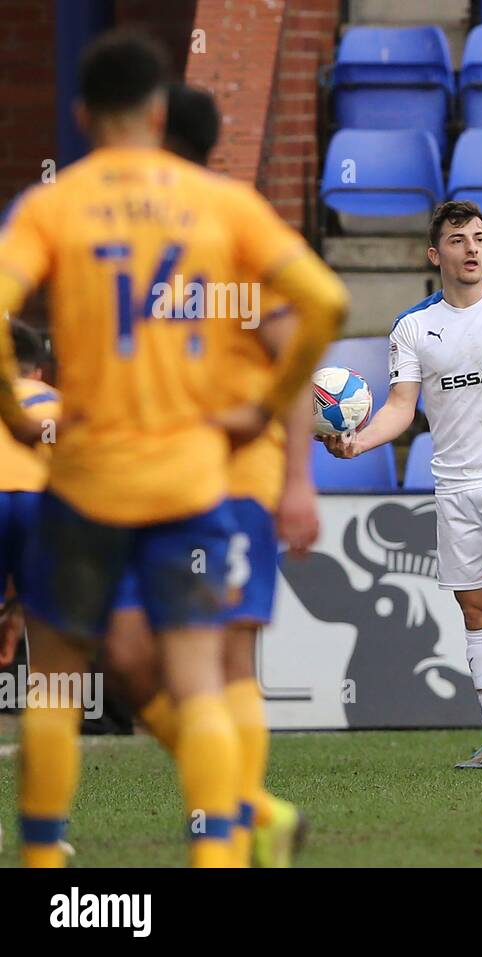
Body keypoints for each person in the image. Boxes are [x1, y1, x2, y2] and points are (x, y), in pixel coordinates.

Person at [0, 31, 347, 867]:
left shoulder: (54, 203)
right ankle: (225, 850)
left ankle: (46, 868)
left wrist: (13, 404)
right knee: (201, 681)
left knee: (52, 681)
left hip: (86, 481)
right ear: (158, 113)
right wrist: (263, 405)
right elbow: (326, 299)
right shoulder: (221, 210)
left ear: (82, 116)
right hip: (193, 482)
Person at [101, 82, 320, 866]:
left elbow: (296, 352)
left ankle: (231, 840)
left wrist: (296, 477)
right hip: (145, 480)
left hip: (233, 484)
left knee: (224, 661)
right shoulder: (119, 233)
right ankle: (253, 807)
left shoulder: (231, 226)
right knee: (125, 653)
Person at [323, 199, 482, 769]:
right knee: (477, 610)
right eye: (458, 241)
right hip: (453, 485)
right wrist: (356, 441)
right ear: (435, 254)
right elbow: (403, 408)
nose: (473, 250)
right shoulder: (414, 328)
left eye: (480, 238)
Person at [0, 321, 59, 670]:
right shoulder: (54, 401)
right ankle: (49, 700)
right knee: (44, 606)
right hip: (38, 503)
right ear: (38, 371)